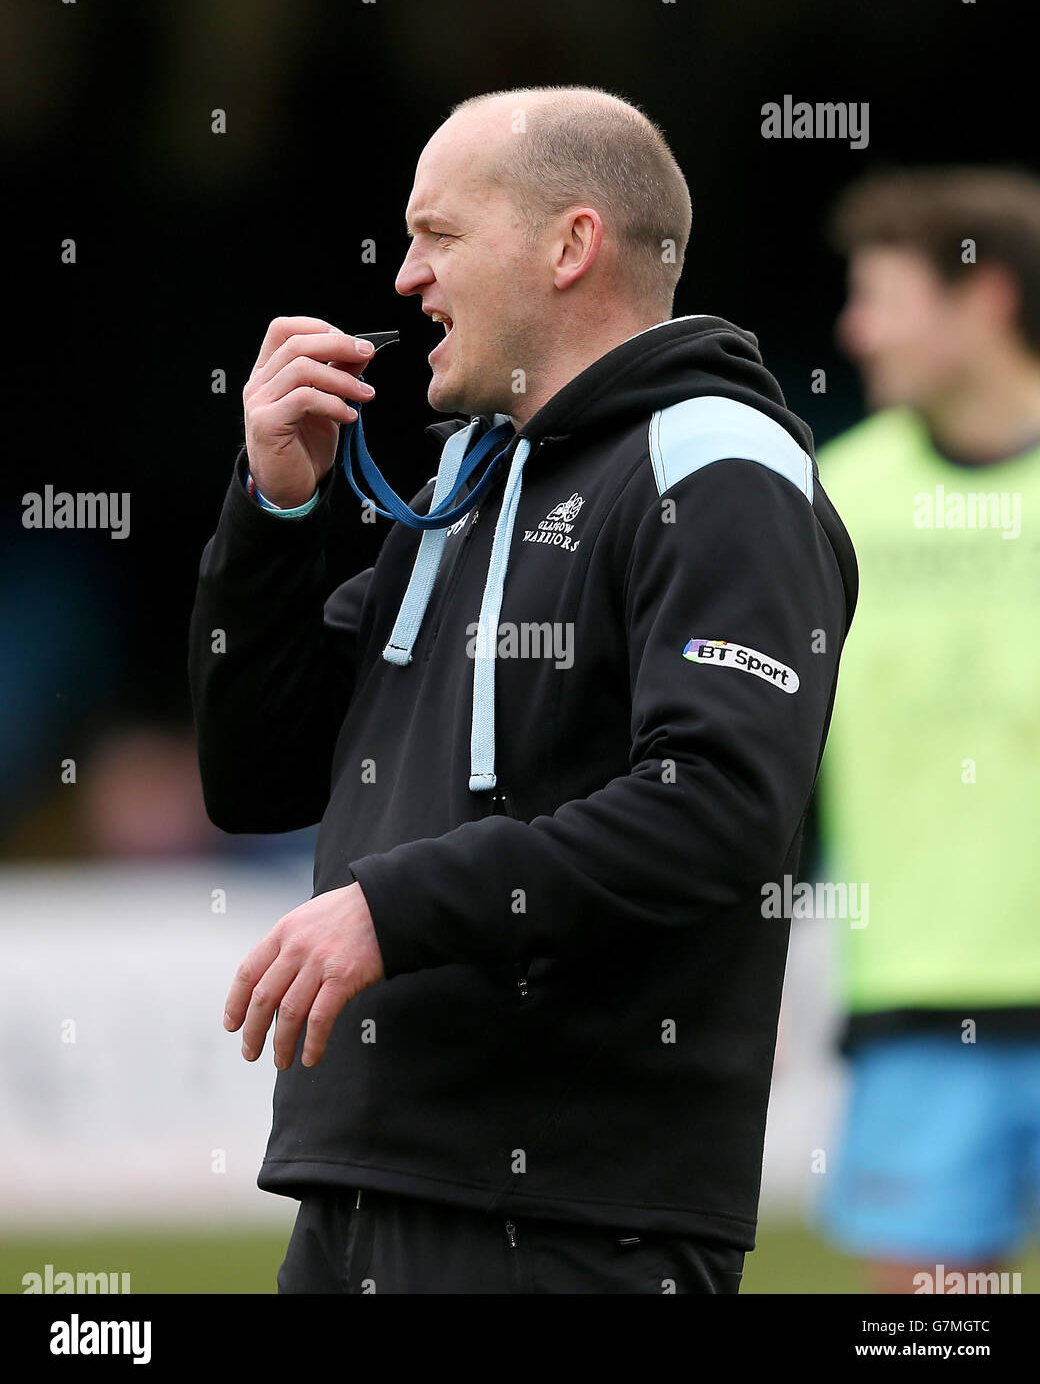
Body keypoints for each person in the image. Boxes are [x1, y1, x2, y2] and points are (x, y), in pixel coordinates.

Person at [188, 84, 857, 1294]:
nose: (402, 277)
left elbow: (714, 808)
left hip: (571, 1215)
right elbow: (259, 772)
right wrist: (275, 508)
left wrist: (392, 907)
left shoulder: (717, 466)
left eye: (436, 235)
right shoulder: (471, 476)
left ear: (569, 245)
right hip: (360, 1182)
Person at [813, 166, 1040, 1294]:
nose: (854, 330)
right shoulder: (828, 498)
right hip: (916, 1004)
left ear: (982, 298)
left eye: (883, 297)